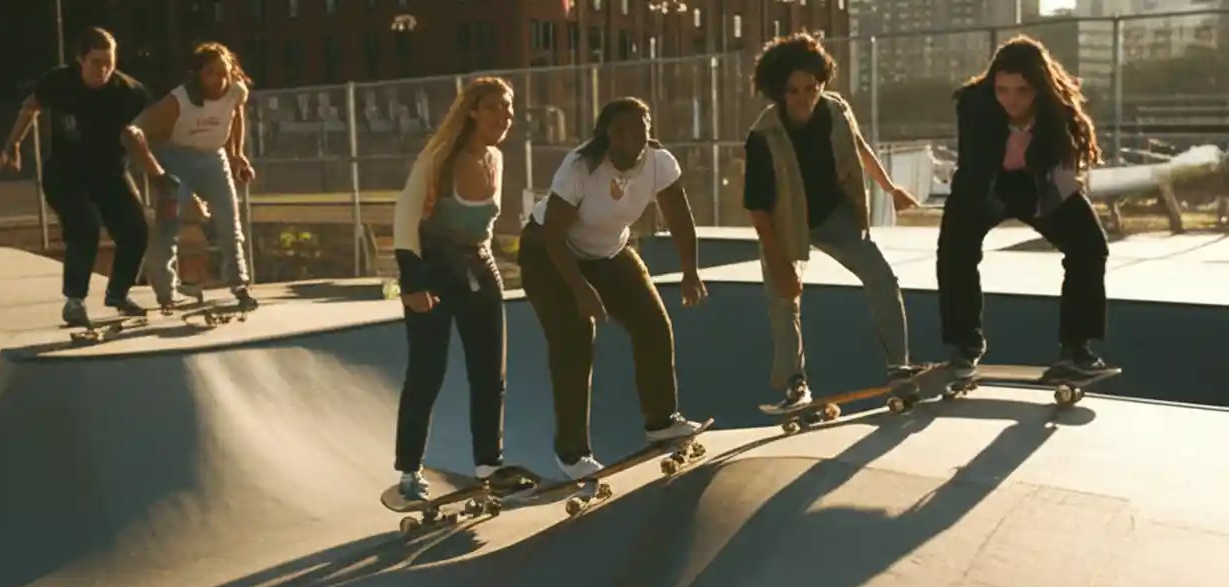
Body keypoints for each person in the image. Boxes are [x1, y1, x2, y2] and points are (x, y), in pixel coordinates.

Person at [519, 97, 708, 481]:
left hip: (609, 252)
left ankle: (661, 420)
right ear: (607, 134)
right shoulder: (581, 167)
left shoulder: (660, 163)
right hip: (549, 254)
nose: (633, 139)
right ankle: (572, 454)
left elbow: (680, 218)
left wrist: (690, 270)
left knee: (653, 325)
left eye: (641, 128)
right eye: (622, 131)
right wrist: (581, 290)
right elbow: (554, 236)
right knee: (575, 339)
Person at [744, 32, 920, 412]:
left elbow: (858, 147)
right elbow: (758, 210)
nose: (805, 98)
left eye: (812, 88)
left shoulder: (835, 109)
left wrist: (890, 189)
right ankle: (795, 384)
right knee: (783, 300)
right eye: (794, 91)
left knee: (882, 277)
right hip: (785, 224)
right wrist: (780, 266)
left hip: (833, 215)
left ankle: (899, 367)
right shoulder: (763, 136)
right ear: (779, 92)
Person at [939, 35, 1113, 377]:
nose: (1012, 101)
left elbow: (1064, 169)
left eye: (1022, 91)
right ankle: (966, 343)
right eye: (1003, 90)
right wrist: (991, 190)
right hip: (984, 181)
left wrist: (1054, 193)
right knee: (955, 248)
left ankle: (1076, 347)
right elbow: (974, 165)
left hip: (1037, 182)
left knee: (1090, 246)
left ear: (1039, 87)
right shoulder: (975, 104)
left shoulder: (1056, 110)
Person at [390, 77, 517, 501]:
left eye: (509, 108)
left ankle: (488, 464)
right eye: (496, 108)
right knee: (427, 373)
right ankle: (409, 470)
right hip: (432, 267)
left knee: (490, 374)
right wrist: (411, 280)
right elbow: (406, 215)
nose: (505, 116)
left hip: (479, 265)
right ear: (473, 112)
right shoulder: (439, 158)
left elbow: (484, 225)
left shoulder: (497, 159)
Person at [0, 27, 151, 325]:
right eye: (96, 62)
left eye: (109, 62)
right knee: (85, 226)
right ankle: (74, 301)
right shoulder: (59, 81)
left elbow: (149, 130)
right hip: (65, 173)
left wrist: (157, 172)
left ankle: (118, 292)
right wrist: (13, 143)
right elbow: (31, 107)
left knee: (136, 228)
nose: (103, 70)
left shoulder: (128, 92)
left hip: (109, 172)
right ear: (80, 60)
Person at [121, 42, 257, 311]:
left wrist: (236, 153)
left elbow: (236, 115)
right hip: (173, 157)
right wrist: (157, 172)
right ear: (198, 74)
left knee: (229, 220)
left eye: (224, 73)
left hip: (213, 157)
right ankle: (166, 291)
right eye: (211, 73)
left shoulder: (235, 92)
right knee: (171, 223)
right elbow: (136, 131)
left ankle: (239, 284)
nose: (219, 80)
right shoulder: (178, 101)